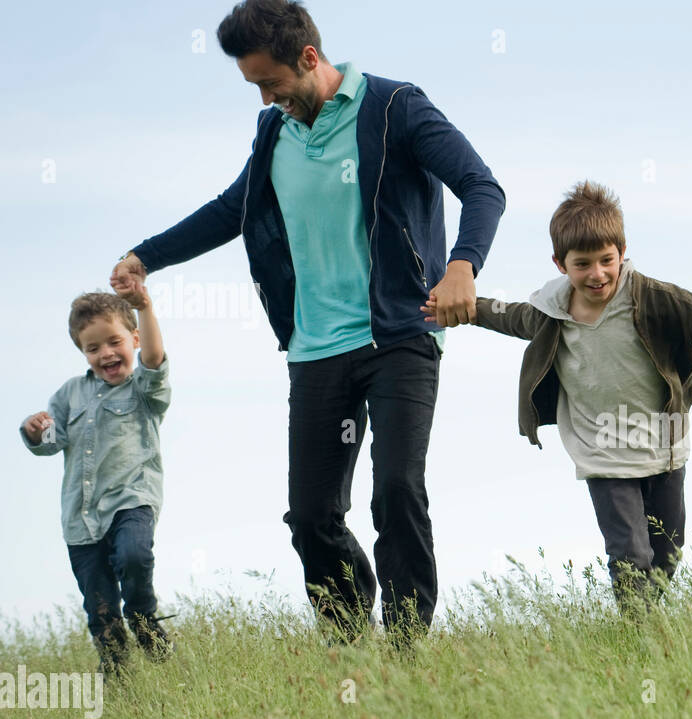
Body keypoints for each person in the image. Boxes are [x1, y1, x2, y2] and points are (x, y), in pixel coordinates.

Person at [110, 0, 506, 642]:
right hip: (316, 347)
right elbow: (230, 209)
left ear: (309, 59)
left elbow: (482, 187)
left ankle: (407, 650)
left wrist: (462, 265)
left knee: (397, 491)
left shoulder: (394, 106)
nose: (265, 100)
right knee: (311, 516)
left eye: (270, 83)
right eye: (254, 87)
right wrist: (146, 256)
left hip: (399, 333)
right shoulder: (276, 133)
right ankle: (350, 643)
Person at [427, 182, 692, 613]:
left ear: (622, 251)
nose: (597, 274)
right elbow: (505, 315)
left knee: (667, 554)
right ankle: (635, 634)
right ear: (559, 263)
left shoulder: (656, 300)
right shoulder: (551, 311)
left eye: (606, 260)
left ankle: (640, 622)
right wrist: (462, 308)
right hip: (601, 452)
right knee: (630, 555)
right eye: (582, 264)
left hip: (664, 446)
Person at [20, 281, 172, 676]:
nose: (106, 352)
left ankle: (144, 620)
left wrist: (145, 308)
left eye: (114, 341)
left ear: (133, 339)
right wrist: (34, 430)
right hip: (81, 519)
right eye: (93, 347)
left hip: (130, 501)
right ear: (83, 352)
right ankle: (119, 680)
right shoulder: (70, 394)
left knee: (134, 557)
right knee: (100, 608)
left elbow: (155, 360)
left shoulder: (143, 389)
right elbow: (52, 441)